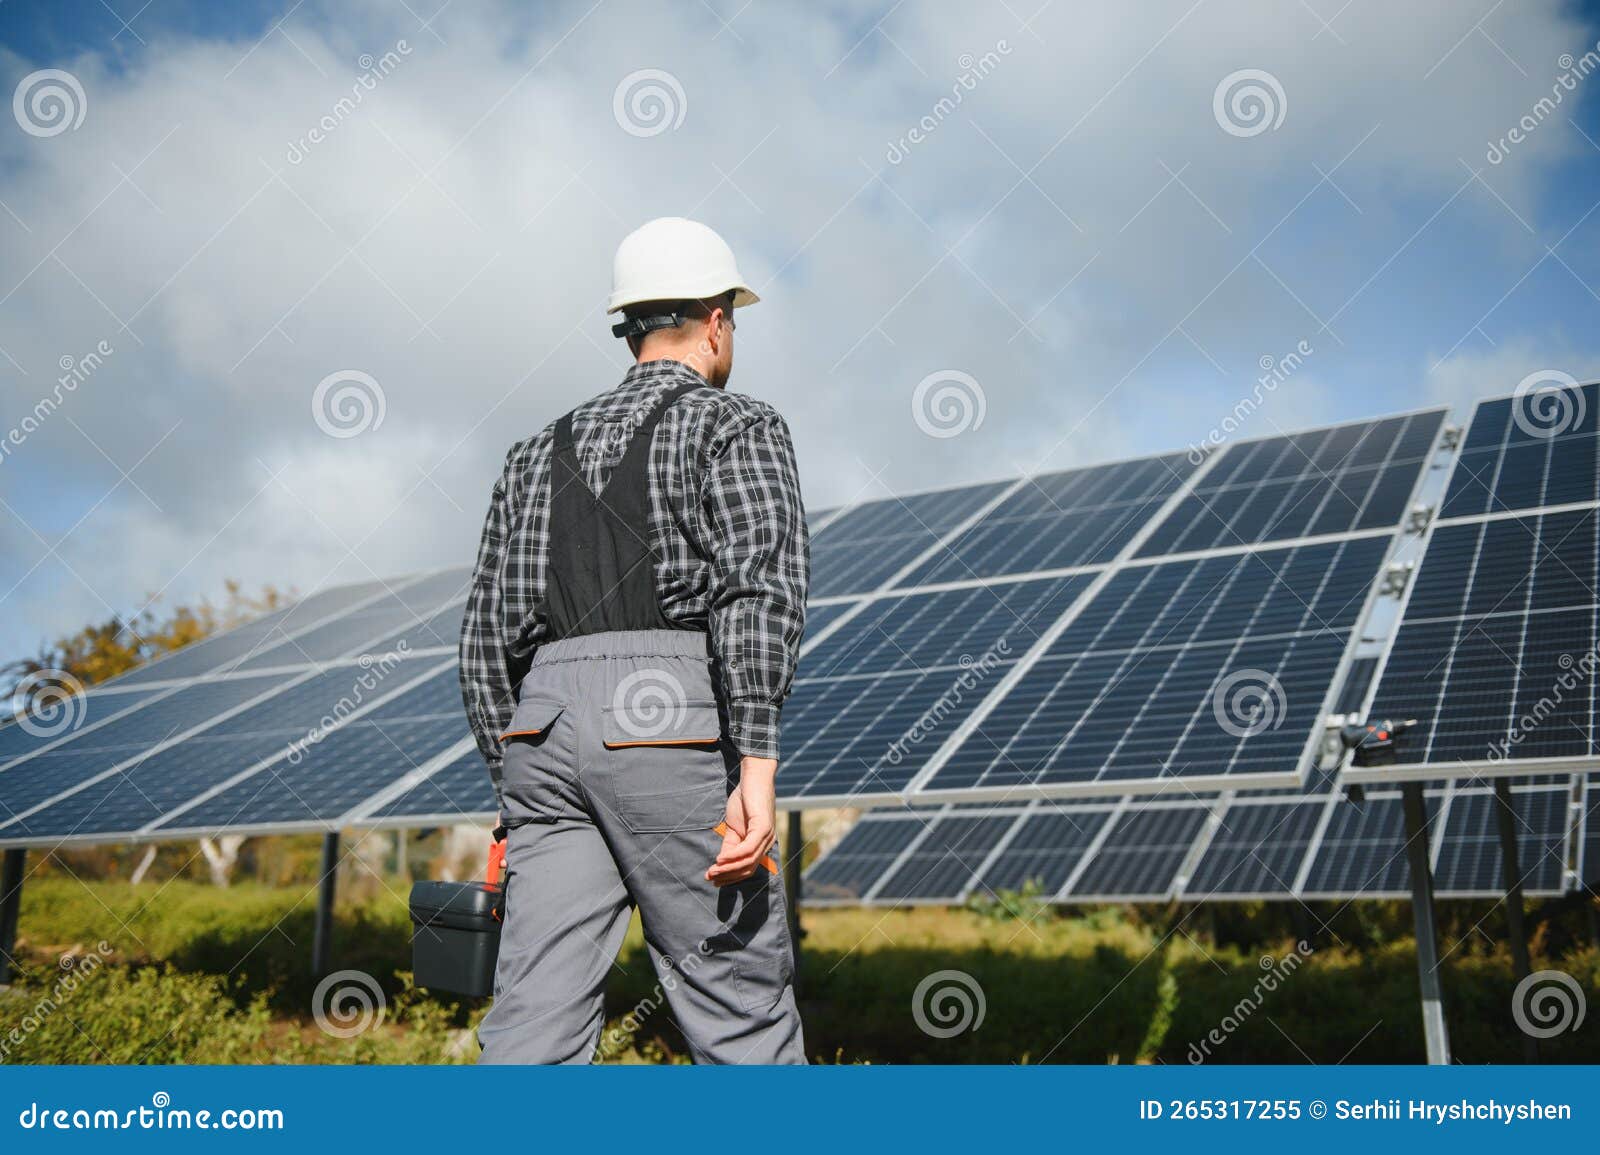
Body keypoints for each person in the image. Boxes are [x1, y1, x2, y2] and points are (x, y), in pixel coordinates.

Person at [459, 217, 809, 1064]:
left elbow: (482, 640)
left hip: (541, 728)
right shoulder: (738, 425)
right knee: (736, 998)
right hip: (668, 721)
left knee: (533, 1016)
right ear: (718, 321)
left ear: (631, 325)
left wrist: (515, 779)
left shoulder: (532, 452)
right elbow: (759, 589)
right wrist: (756, 767)